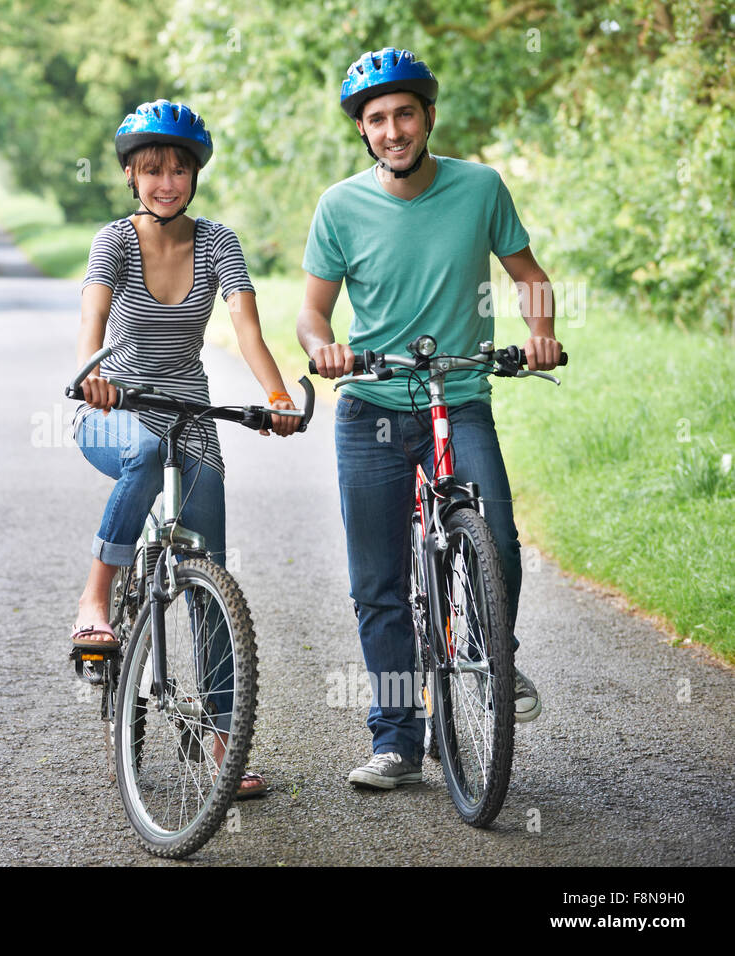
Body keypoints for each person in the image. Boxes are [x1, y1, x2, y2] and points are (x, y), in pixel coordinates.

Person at [297, 49, 561, 789]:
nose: (392, 129)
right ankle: (396, 742)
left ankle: (488, 654)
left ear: (427, 117)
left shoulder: (479, 188)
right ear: (363, 130)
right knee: (378, 585)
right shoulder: (340, 205)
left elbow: (530, 279)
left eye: (403, 114)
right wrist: (325, 350)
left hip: (460, 395)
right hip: (374, 406)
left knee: (498, 538)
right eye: (376, 119)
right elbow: (312, 313)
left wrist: (538, 333)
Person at [71, 99, 300, 799]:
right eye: (151, 170)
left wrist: (277, 393)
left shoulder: (218, 242)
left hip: (190, 410)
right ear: (131, 177)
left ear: (194, 174)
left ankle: (223, 744)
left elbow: (244, 323)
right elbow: (93, 315)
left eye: (178, 169)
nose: (165, 182)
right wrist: (93, 373)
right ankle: (96, 598)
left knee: (210, 576)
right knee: (143, 456)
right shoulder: (114, 241)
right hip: (115, 409)